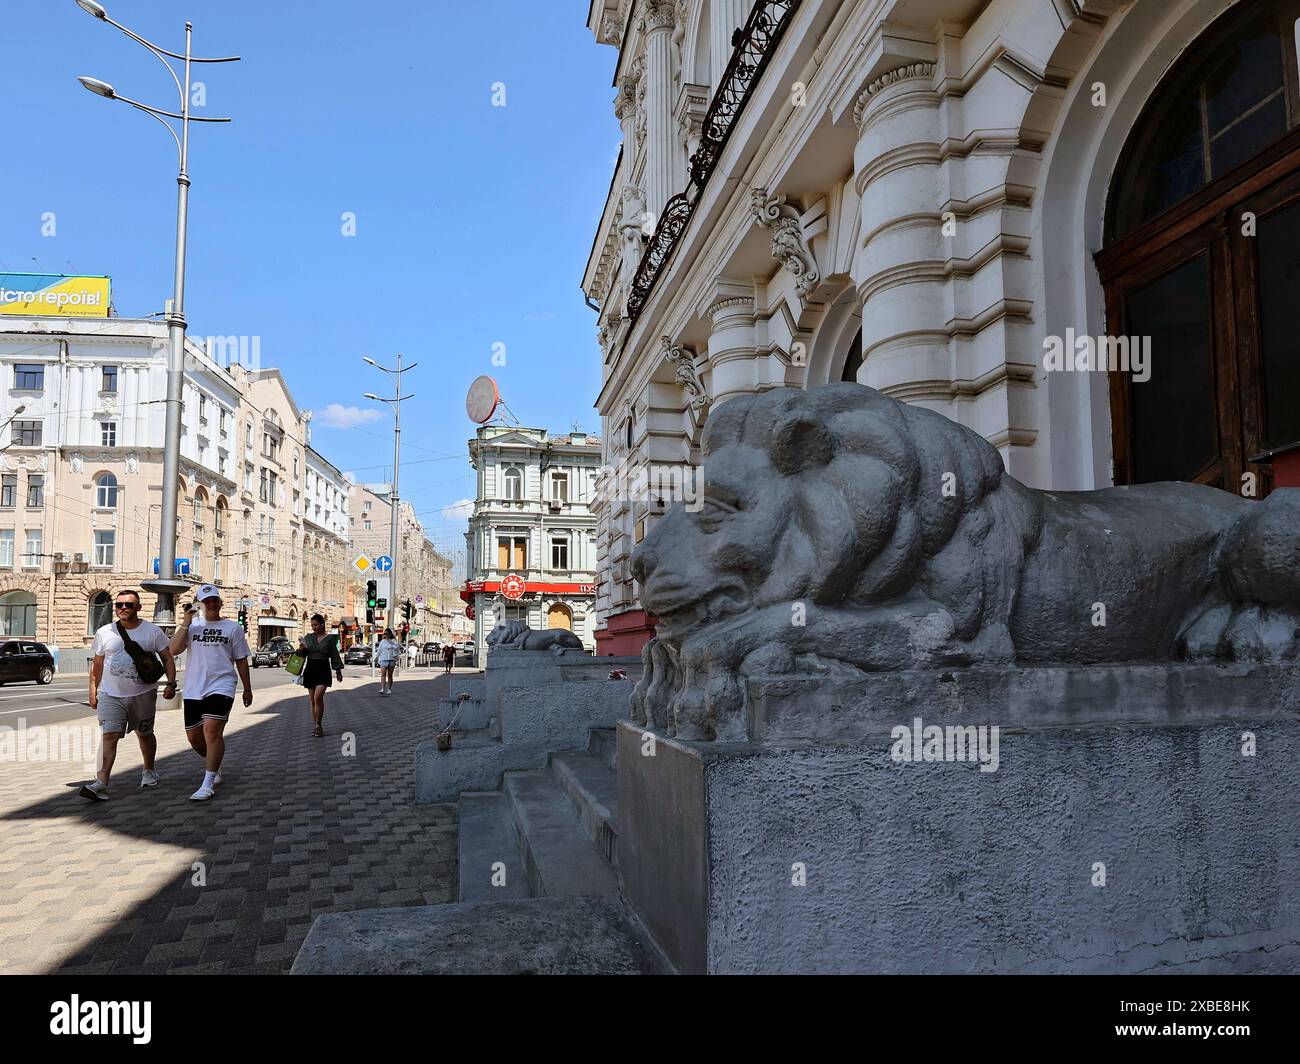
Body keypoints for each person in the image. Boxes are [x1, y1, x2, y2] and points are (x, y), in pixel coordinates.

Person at [82, 589, 177, 801]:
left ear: (139, 607)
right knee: (109, 736)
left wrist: (170, 683)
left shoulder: (152, 631)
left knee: (144, 733)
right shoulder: (104, 632)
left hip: (142, 694)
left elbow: (168, 658)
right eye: (119, 605)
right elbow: (97, 664)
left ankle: (149, 770)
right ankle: (101, 783)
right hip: (110, 695)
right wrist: (92, 690)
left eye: (129, 605)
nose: (123, 608)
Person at [168, 583, 252, 801]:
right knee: (195, 739)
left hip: (222, 685)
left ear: (220, 602)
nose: (211, 604)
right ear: (201, 604)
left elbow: (241, 660)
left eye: (214, 600)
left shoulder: (233, 628)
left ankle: (208, 782)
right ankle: (214, 762)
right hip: (195, 689)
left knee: (212, 730)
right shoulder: (192, 626)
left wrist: (247, 689)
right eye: (207, 601)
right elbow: (173, 650)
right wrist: (186, 622)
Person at [298, 614, 343, 737]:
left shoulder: (329, 639)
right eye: (312, 625)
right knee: (312, 700)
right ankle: (317, 727)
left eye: (316, 625)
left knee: (318, 697)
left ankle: (318, 723)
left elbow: (334, 655)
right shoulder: (308, 638)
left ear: (322, 624)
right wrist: (301, 649)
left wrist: (338, 671)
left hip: (323, 669)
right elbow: (302, 655)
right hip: (311, 668)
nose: (314, 627)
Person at [375, 629, 400, 695]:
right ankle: (382, 688)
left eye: (386, 633)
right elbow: (379, 650)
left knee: (390, 675)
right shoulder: (382, 642)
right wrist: (377, 657)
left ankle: (389, 689)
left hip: (392, 659)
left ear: (390, 634)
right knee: (383, 674)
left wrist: (391, 643)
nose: (385, 635)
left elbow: (397, 648)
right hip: (383, 659)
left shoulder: (394, 640)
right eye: (384, 634)